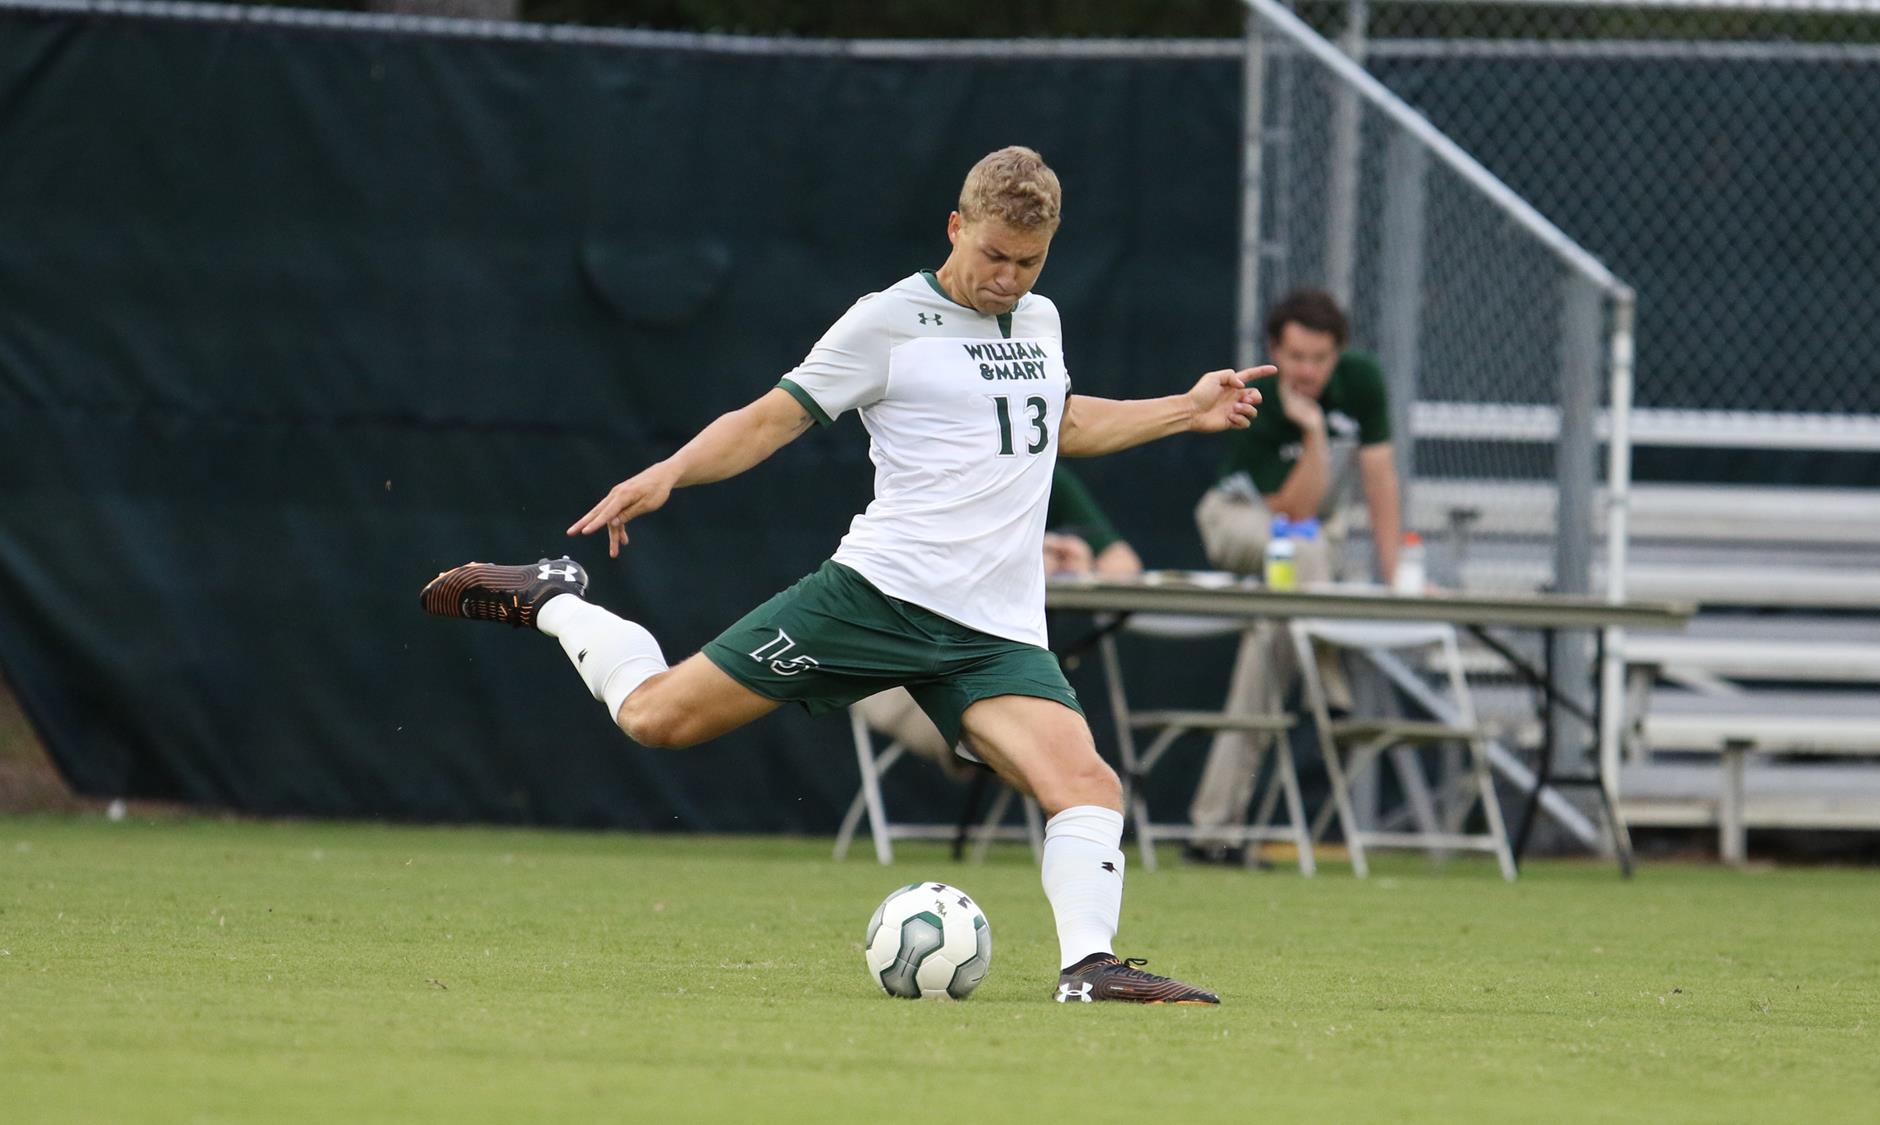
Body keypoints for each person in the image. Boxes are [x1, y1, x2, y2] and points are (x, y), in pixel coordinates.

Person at [420, 147, 1265, 1005]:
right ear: (955, 227)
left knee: (1087, 786)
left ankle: (1089, 968)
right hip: (878, 597)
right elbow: (770, 419)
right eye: (993, 255)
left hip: (994, 630)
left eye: (1029, 261)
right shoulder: (886, 321)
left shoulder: (1039, 320)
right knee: (656, 718)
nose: (1008, 279)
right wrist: (672, 470)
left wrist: (1186, 408)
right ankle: (557, 599)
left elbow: (1059, 422)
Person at [1184, 289, 1405, 864]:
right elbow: (1294, 511)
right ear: (1275, 350)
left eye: (1320, 359)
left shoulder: (1362, 381)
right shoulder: (1254, 394)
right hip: (1240, 522)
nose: (1307, 371)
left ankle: (1212, 831)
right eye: (1297, 357)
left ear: (1339, 354)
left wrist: (1395, 577)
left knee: (1269, 646)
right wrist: (1313, 433)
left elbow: (1380, 480)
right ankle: (1328, 683)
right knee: (1299, 547)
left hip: (1302, 561)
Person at [861, 463, 1141, 777]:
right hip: (906, 674)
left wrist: (1081, 563)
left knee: (1051, 737)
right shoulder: (929, 469)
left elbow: (1123, 563)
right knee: (1040, 739)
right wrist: (1023, 562)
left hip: (1004, 679)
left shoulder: (1036, 468)